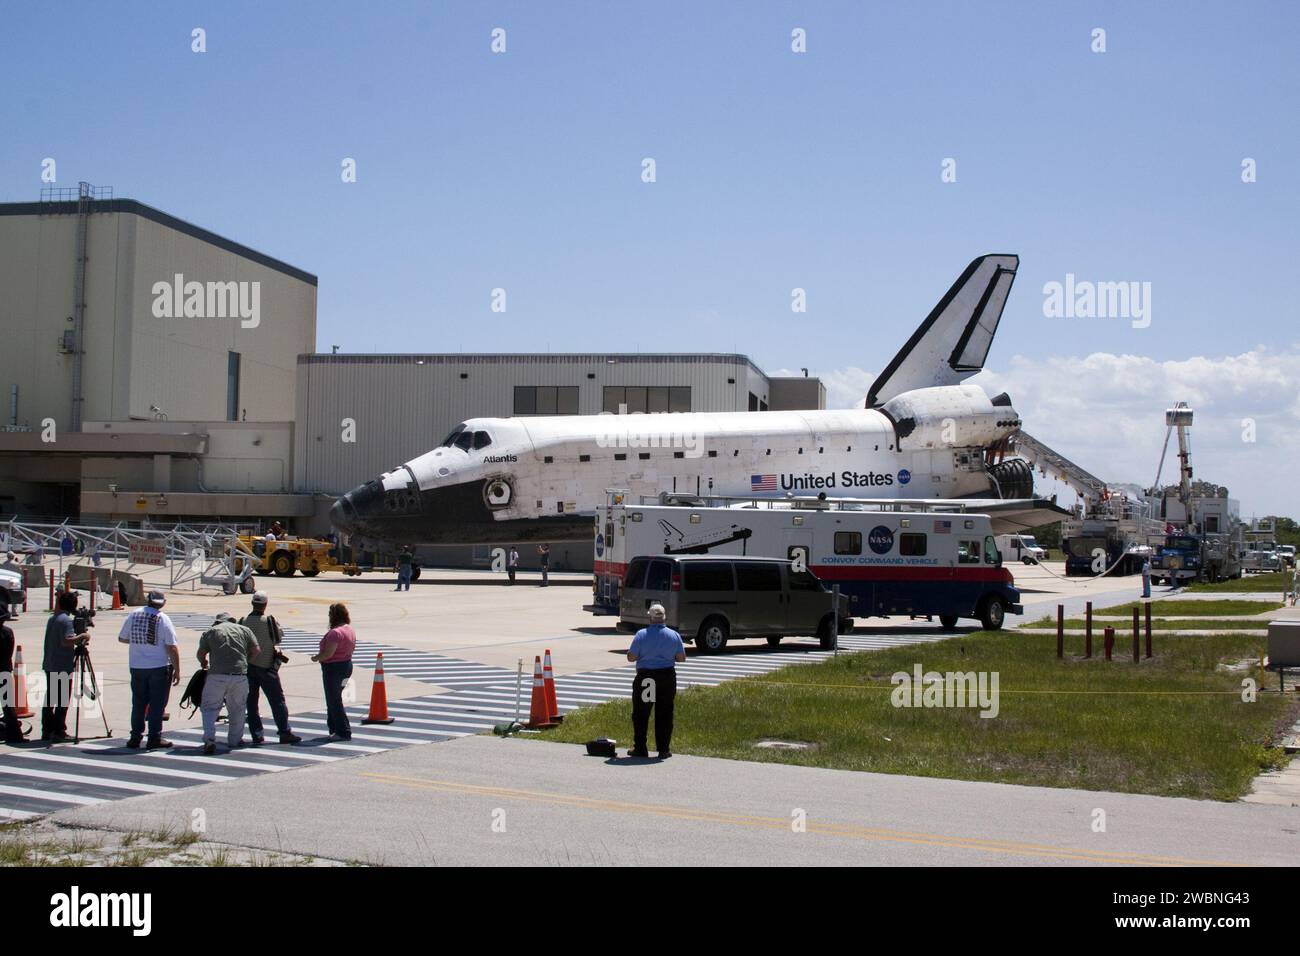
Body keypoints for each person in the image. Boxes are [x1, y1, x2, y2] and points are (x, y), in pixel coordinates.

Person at [117, 589, 180, 749]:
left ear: (148, 599)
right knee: (157, 705)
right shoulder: (163, 618)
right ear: (163, 603)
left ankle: (135, 737)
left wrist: (139, 642)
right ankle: (154, 737)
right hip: (158, 666)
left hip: (137, 666)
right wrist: (177, 670)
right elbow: (172, 647)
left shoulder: (134, 614)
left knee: (138, 703)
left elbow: (122, 638)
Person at [626, 602, 685, 759]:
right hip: (666, 677)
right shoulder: (674, 635)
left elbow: (631, 657)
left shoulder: (641, 635)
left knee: (642, 713)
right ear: (664, 617)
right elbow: (681, 658)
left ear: (650, 618)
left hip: (647, 679)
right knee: (664, 713)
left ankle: (640, 748)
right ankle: (663, 749)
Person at [240, 591, 300, 745]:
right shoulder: (269, 621)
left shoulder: (243, 621)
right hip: (267, 667)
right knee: (277, 701)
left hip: (248, 668)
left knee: (251, 703)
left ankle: (257, 734)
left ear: (252, 603)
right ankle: (284, 732)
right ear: (265, 605)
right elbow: (278, 639)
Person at [196, 612, 260, 755]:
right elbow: (256, 650)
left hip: (216, 675)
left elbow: (201, 653)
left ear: (218, 622)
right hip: (239, 675)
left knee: (210, 708)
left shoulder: (211, 631)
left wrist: (204, 663)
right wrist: (245, 662)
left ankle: (209, 739)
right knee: (237, 708)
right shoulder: (244, 630)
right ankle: (235, 740)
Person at [41, 591, 82, 742]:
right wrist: (82, 636)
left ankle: (47, 730)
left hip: (50, 663)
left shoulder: (53, 619)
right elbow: (66, 641)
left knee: (50, 698)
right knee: (62, 700)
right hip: (62, 665)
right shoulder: (66, 621)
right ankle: (59, 730)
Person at [311, 603, 356, 741]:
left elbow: (328, 654)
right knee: (334, 699)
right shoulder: (349, 629)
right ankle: (334, 728)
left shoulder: (335, 633)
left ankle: (343, 731)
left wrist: (316, 658)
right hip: (346, 665)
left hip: (333, 668)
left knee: (334, 700)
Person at [1, 609, 25, 743]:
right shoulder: (8, 632)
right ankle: (15, 734)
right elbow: (9, 653)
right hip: (4, 670)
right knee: (8, 706)